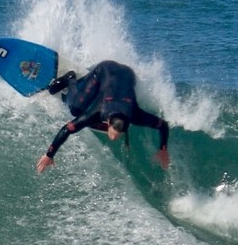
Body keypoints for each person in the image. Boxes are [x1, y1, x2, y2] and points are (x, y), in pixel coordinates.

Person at [35, 60, 170, 173]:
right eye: (113, 134)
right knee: (76, 110)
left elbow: (163, 125)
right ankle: (70, 78)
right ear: (109, 123)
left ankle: (90, 90)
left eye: (117, 135)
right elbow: (67, 129)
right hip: (104, 70)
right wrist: (49, 155)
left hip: (129, 74)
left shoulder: (135, 114)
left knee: (94, 98)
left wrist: (163, 149)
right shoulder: (99, 111)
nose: (113, 138)